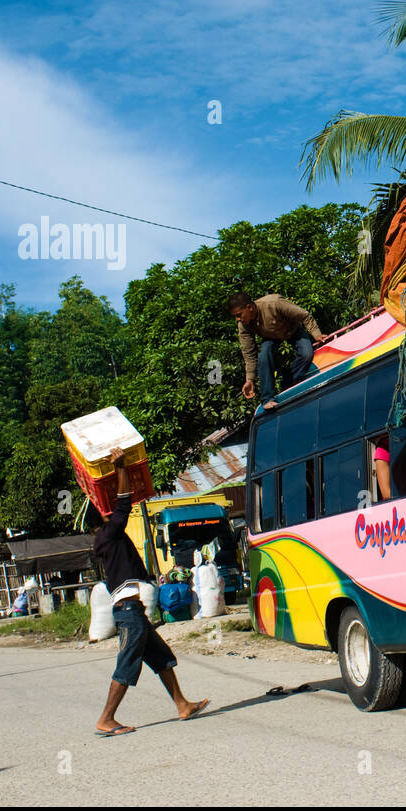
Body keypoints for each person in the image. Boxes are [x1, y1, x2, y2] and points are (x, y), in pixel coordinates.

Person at [87, 448, 209, 737]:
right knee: (127, 664)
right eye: (106, 510)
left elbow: (120, 507)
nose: (110, 512)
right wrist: (121, 469)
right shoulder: (110, 534)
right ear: (102, 518)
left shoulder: (106, 541)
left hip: (133, 610)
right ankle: (106, 718)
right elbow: (124, 503)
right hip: (130, 612)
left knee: (162, 658)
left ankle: (182, 704)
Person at [229, 292, 325, 411]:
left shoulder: (273, 303)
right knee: (264, 356)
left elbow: (304, 315)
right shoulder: (243, 325)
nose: (238, 319)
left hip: (293, 330)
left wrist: (316, 334)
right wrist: (250, 379)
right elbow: (249, 352)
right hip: (271, 337)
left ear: (249, 307)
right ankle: (267, 398)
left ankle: (288, 381)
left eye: (239, 315)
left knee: (306, 353)